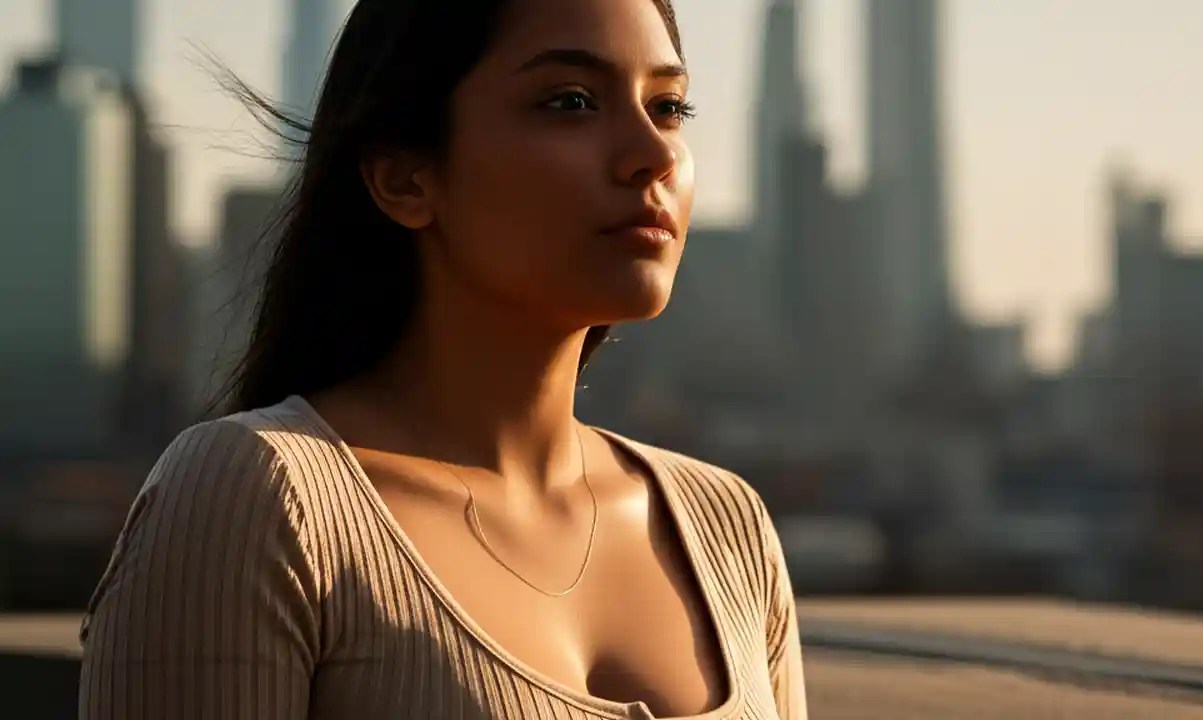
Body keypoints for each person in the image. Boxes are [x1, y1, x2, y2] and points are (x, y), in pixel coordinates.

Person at [77, 0, 808, 717]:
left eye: (670, 107)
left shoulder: (726, 526)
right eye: (571, 101)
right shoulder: (260, 496)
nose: (653, 154)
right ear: (405, 178)